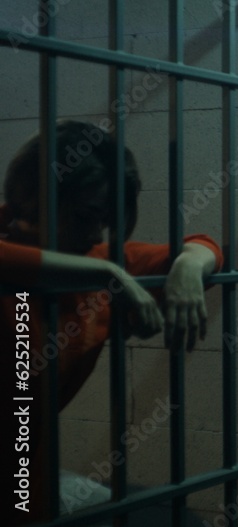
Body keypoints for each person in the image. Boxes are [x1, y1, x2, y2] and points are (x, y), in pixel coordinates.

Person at [1, 120, 223, 523]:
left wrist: (189, 268)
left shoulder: (96, 261)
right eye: (86, 215)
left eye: (104, 218)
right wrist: (110, 276)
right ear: (39, 197)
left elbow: (202, 247)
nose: (95, 232)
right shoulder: (99, 270)